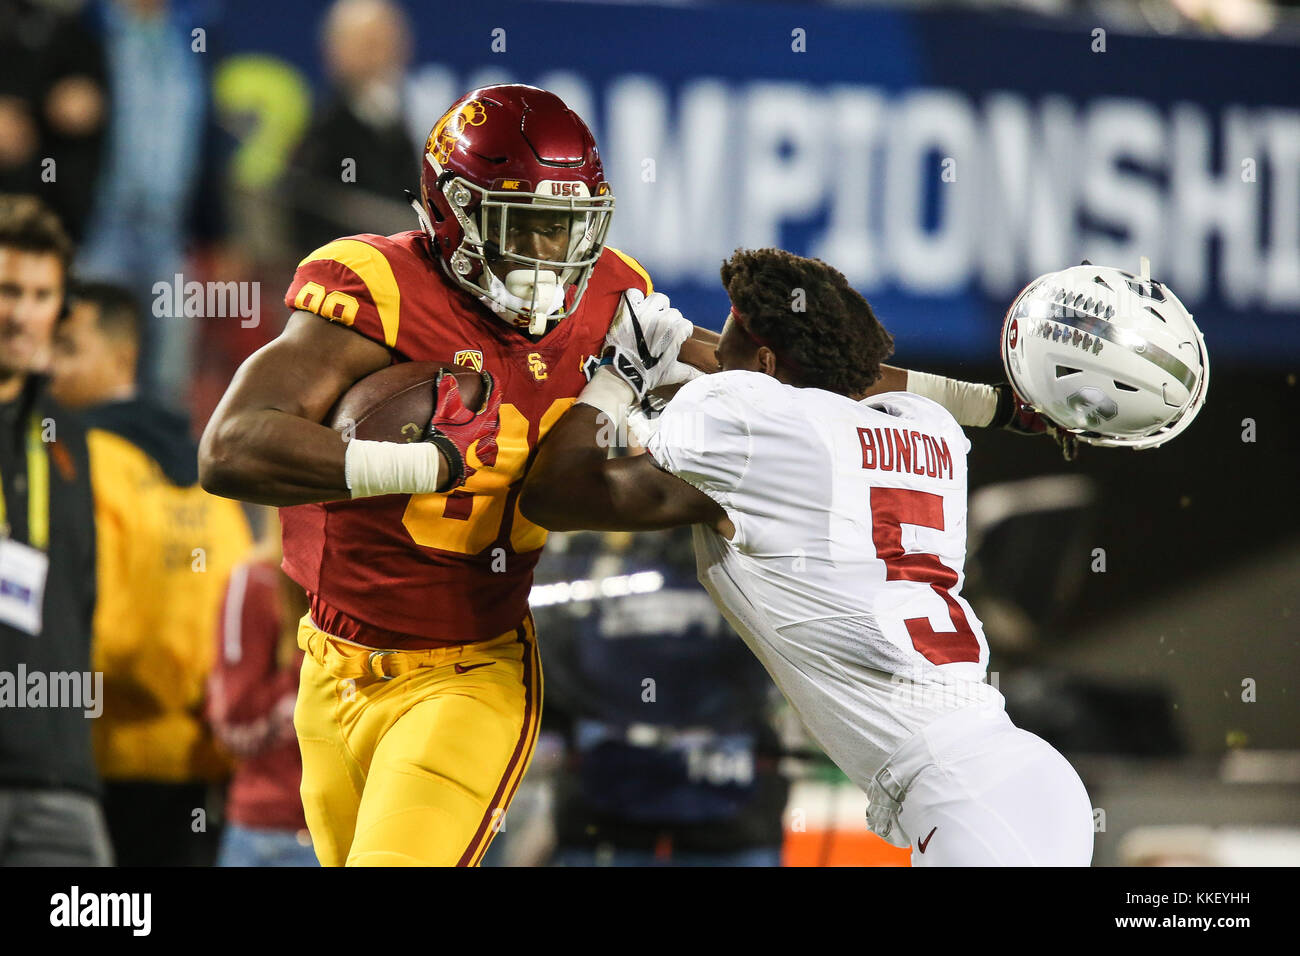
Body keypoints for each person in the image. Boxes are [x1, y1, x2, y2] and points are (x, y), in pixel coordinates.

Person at [199, 85, 1058, 867]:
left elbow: (776, 369)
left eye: (564, 227)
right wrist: (415, 463)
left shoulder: (610, 298)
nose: (549, 253)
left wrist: (995, 403)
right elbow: (231, 447)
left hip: (470, 670)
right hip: (329, 662)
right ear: (452, 211)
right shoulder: (380, 285)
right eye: (522, 224)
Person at [521, 247, 1096, 866]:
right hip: (1023, 777)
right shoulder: (925, 425)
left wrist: (616, 378)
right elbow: (848, 382)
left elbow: (553, 495)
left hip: (960, 801)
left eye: (729, 344)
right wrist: (998, 406)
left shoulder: (747, 429)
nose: (715, 358)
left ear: (764, 363)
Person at [49, 280, 253, 866]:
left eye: (66, 347)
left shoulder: (72, 457)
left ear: (122, 355)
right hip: (198, 760)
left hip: (96, 758)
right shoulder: (208, 465)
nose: (46, 363)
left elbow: (76, 616)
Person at [0, 193, 109, 865]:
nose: (20, 314)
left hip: (60, 780)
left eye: (42, 295)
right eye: (7, 290)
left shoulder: (67, 437)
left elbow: (84, 597)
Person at [207, 509, 318, 867]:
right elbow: (234, 725)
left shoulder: (381, 582)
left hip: (367, 832)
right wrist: (317, 663)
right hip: (275, 835)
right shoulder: (257, 581)